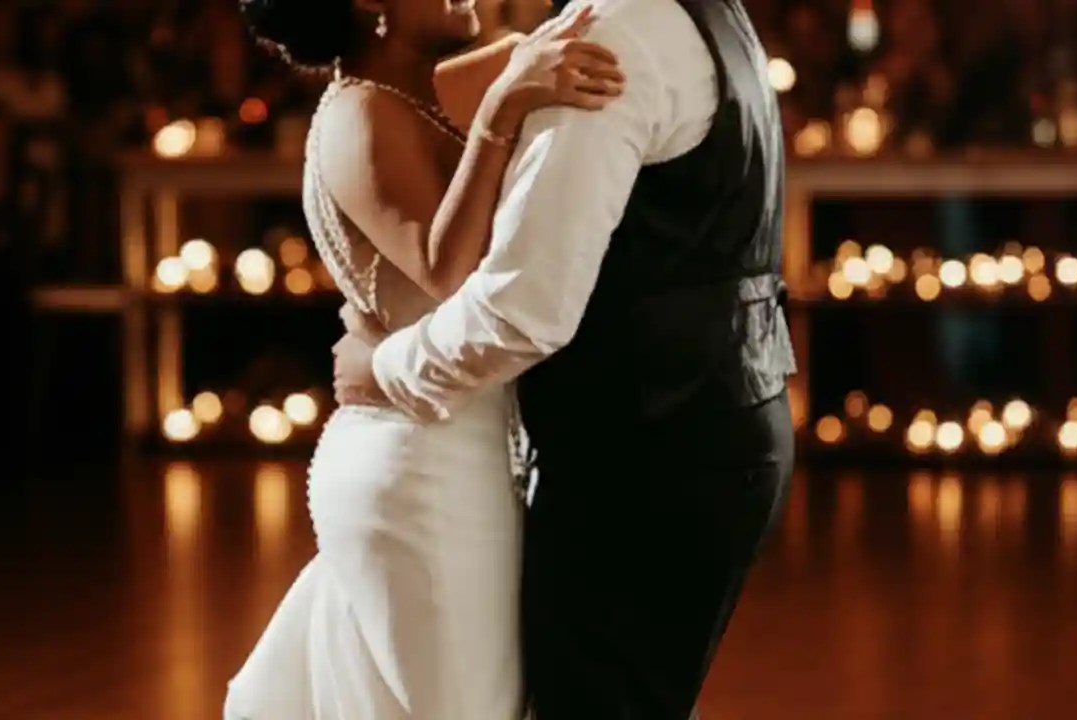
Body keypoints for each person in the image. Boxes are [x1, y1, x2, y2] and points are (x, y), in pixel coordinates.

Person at [333, 0, 798, 717]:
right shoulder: (711, 13)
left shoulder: (603, 38)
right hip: (729, 420)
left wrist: (388, 367)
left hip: (646, 449)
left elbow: (525, 311)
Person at [223, 2, 624, 719]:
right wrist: (504, 110)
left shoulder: (420, 90)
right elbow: (448, 274)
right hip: (422, 467)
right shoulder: (361, 116)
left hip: (456, 438)